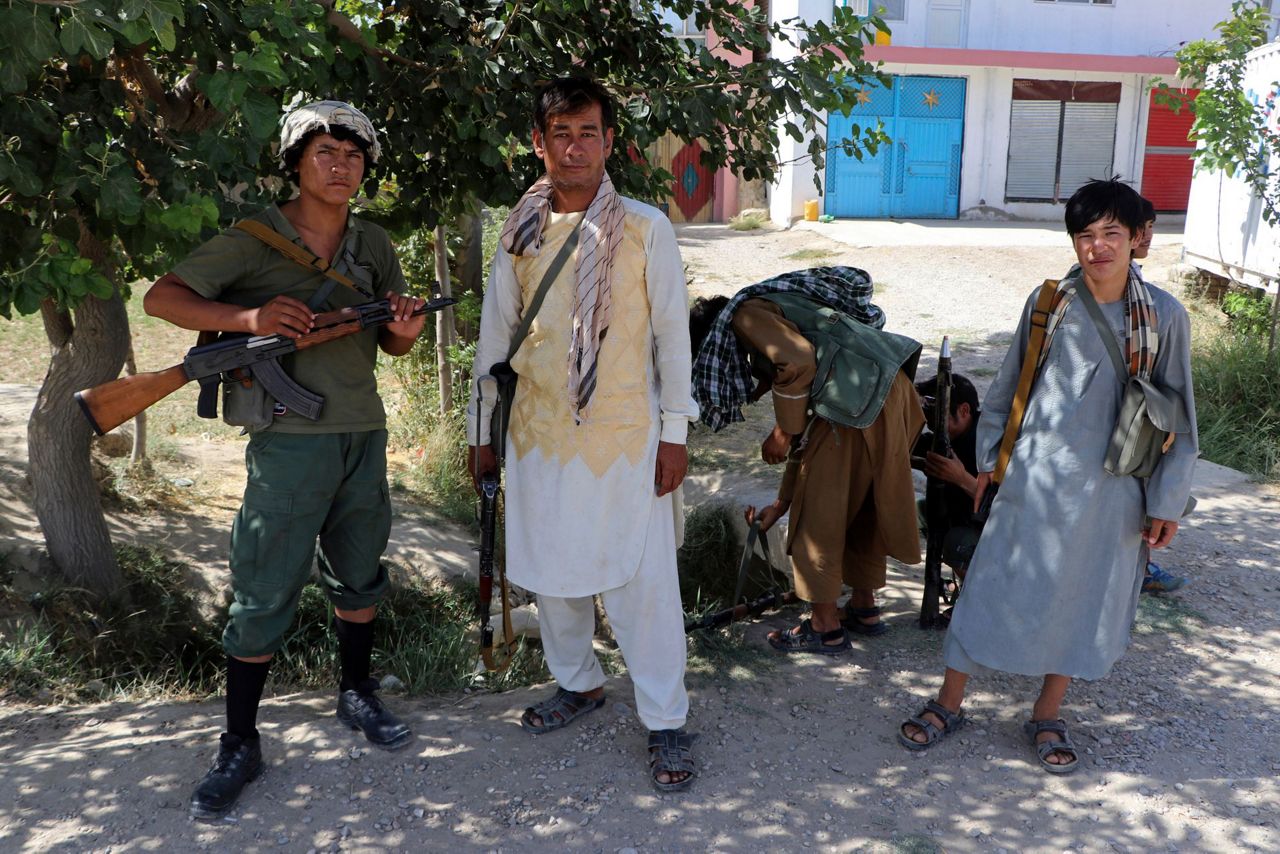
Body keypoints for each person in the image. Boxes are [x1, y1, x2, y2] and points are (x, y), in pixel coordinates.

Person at [143, 101, 424, 820]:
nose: (341, 165)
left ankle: (357, 694)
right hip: (289, 443)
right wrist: (251, 319)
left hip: (362, 432)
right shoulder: (255, 240)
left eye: (354, 155)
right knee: (265, 586)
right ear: (296, 163)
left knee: (360, 572)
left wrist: (406, 329)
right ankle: (239, 741)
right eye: (325, 151)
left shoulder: (373, 243)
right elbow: (162, 297)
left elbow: (391, 347)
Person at [897, 178, 1198, 774]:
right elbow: (1006, 388)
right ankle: (949, 700)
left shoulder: (1164, 315)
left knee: (1083, 601)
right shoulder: (1047, 304)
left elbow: (1180, 415)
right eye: (1085, 235)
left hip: (1115, 491)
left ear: (1135, 239)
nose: (1098, 247)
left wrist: (1166, 502)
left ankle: (1048, 711)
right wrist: (988, 464)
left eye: (1112, 233)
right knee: (988, 588)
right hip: (1033, 480)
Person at [465, 77, 699, 793]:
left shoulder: (644, 227)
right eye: (561, 133)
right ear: (538, 144)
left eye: (588, 132)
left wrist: (675, 432)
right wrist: (481, 431)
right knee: (548, 570)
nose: (575, 146)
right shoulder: (520, 231)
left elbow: (671, 338)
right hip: (536, 435)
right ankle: (579, 682)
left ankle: (666, 722)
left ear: (607, 142)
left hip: (625, 434)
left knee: (643, 582)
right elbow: (494, 337)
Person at [688, 267, 924, 655]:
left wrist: (783, 431)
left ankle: (824, 627)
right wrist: (780, 504)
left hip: (857, 401)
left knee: (820, 514)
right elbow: (810, 436)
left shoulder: (746, 315)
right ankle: (863, 607)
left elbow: (796, 361)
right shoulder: (787, 306)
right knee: (861, 500)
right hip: (890, 392)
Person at [1132, 196, 1190, 595]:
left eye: (1153, 225)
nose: (1150, 235)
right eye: (1144, 227)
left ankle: (1145, 562)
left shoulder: (1159, 303)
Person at [914, 371, 981, 530]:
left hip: (981, 528)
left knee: (957, 542)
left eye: (941, 417)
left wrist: (961, 478)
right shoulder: (950, 436)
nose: (932, 426)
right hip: (949, 511)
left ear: (964, 410)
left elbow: (1002, 502)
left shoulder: (990, 443)